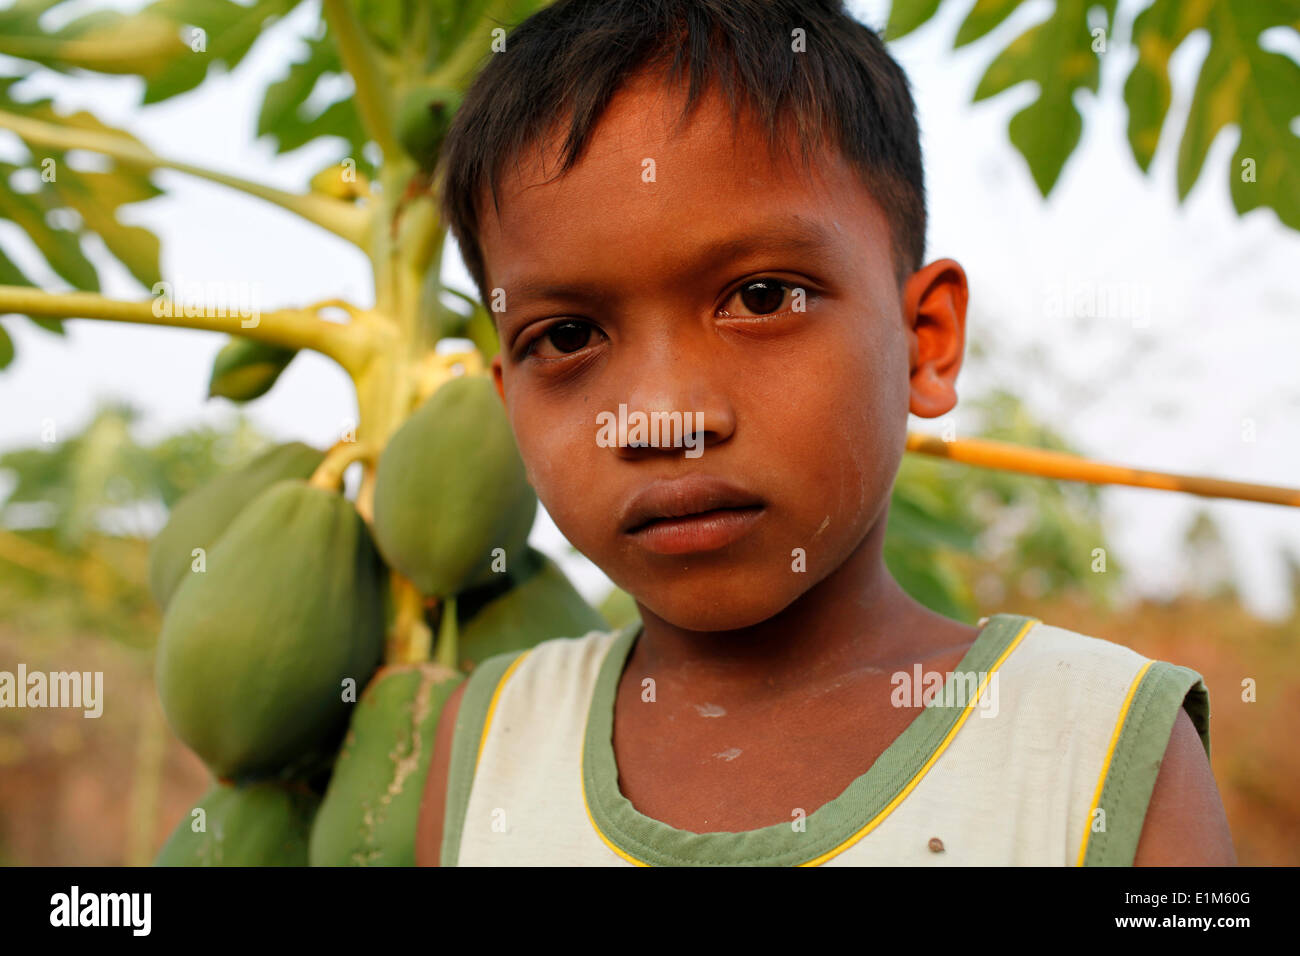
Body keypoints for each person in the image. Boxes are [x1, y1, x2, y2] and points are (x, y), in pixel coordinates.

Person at [414, 0, 1235, 866]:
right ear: (509, 400)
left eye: (762, 298)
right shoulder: (481, 748)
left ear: (925, 343)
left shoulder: (1099, 749)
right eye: (568, 338)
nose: (660, 418)